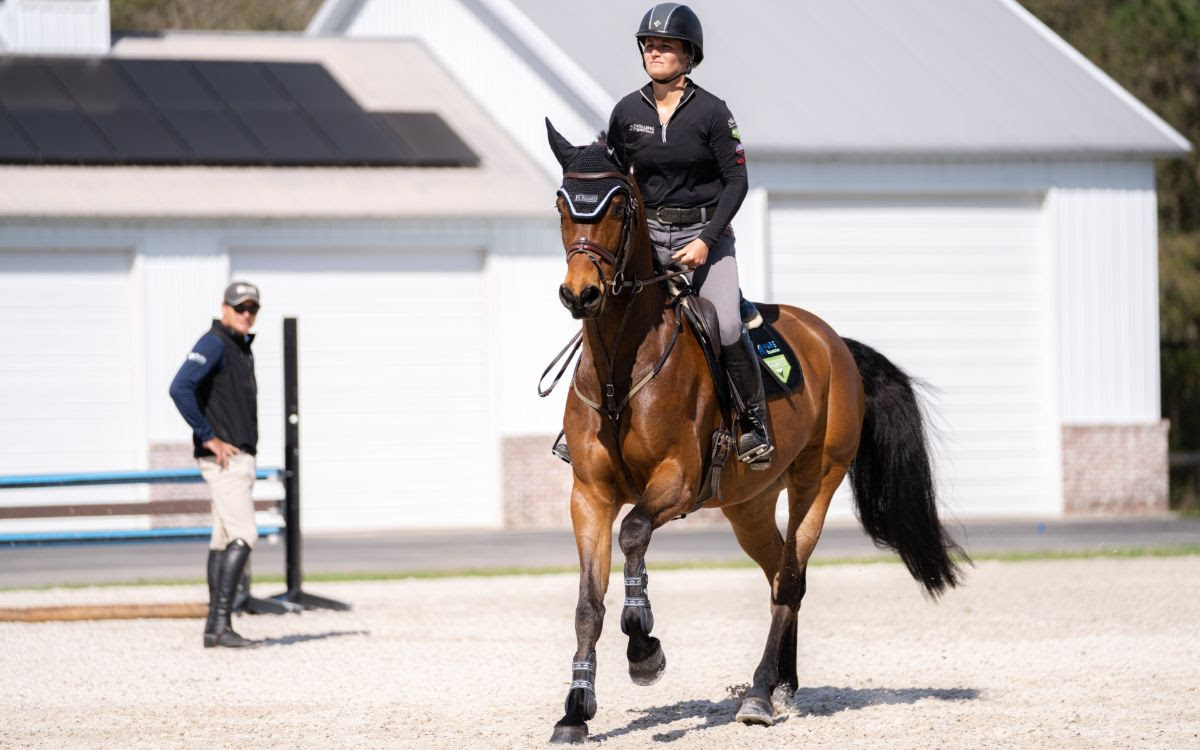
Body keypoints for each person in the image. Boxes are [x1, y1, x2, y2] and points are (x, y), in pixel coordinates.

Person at [606, 3, 774, 468]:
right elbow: (617, 174)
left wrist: (705, 241)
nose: (654, 52)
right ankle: (588, 422)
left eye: (665, 46)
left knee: (723, 324)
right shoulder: (626, 111)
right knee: (607, 313)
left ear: (689, 55)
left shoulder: (713, 112)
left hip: (707, 235)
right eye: (649, 45)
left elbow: (737, 182)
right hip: (650, 238)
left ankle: (752, 424)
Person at [168, 281, 263, 648]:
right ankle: (220, 625)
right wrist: (208, 436)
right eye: (240, 307)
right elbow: (180, 387)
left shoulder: (239, 347)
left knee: (223, 538)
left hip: (237, 458)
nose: (246, 314)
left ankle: (214, 626)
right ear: (224, 308)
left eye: (252, 309)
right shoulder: (215, 342)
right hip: (226, 460)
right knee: (245, 534)